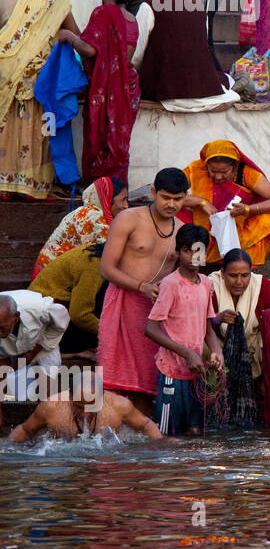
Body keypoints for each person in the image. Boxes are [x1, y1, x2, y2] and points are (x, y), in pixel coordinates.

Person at [98, 167, 186, 409]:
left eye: (178, 199)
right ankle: (105, 438)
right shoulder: (128, 218)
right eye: (166, 197)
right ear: (153, 192)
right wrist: (141, 286)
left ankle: (141, 444)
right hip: (123, 304)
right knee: (112, 383)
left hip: (155, 313)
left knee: (147, 387)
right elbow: (106, 269)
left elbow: (185, 274)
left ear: (186, 198)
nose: (171, 204)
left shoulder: (182, 231)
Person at [54, 0, 140, 182]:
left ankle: (99, 191)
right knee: (119, 142)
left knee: (100, 141)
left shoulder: (103, 14)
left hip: (106, 88)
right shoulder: (133, 20)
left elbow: (91, 50)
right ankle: (117, 192)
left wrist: (69, 37)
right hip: (127, 88)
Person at [0, 0, 78, 199]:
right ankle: (32, 187)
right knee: (38, 134)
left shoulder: (8, 41)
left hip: (13, 83)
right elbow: (78, 35)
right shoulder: (58, 7)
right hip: (42, 90)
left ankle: (6, 186)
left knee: (10, 130)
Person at [144, 223, 224, 435]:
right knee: (167, 435)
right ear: (178, 252)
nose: (193, 256)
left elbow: (207, 327)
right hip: (171, 370)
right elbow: (151, 328)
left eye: (198, 250)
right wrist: (186, 353)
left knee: (195, 431)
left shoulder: (206, 284)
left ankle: (190, 470)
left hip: (196, 373)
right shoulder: (170, 284)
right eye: (187, 251)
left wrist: (217, 352)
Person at [176, 140, 270, 268]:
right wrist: (201, 202)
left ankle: (244, 269)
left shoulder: (246, 173)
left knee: (266, 221)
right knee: (173, 212)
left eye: (224, 172)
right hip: (203, 231)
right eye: (212, 171)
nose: (218, 177)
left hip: (236, 231)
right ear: (206, 164)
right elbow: (168, 195)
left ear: (234, 166)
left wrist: (247, 209)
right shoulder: (196, 169)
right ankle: (191, 265)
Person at [135, 0, 231, 105]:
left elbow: (136, 54)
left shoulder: (149, 6)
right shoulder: (198, 7)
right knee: (226, 79)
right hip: (200, 85)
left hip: (163, 86)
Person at [214, 248, 270, 385]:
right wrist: (217, 319)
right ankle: (211, 385)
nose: (239, 282)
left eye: (245, 275)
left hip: (251, 346)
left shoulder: (260, 284)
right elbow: (194, 321)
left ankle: (263, 381)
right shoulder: (210, 285)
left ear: (251, 273)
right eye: (233, 275)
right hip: (220, 346)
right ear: (223, 273)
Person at [6, 368, 163, 442]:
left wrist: (160, 445)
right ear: (70, 396)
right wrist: (8, 449)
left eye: (91, 406)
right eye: (79, 406)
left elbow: (146, 425)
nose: (85, 413)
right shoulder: (51, 406)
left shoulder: (119, 405)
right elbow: (26, 430)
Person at [31, 177, 127, 279]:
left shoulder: (88, 212)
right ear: (107, 198)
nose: (126, 206)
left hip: (53, 273)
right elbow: (109, 251)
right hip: (52, 279)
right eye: (123, 200)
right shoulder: (91, 216)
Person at [0, 290, 68, 406]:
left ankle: (43, 413)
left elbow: (62, 320)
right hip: (8, 348)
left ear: (16, 317)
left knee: (47, 379)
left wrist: (36, 349)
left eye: (1, 328)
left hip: (41, 341)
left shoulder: (40, 309)